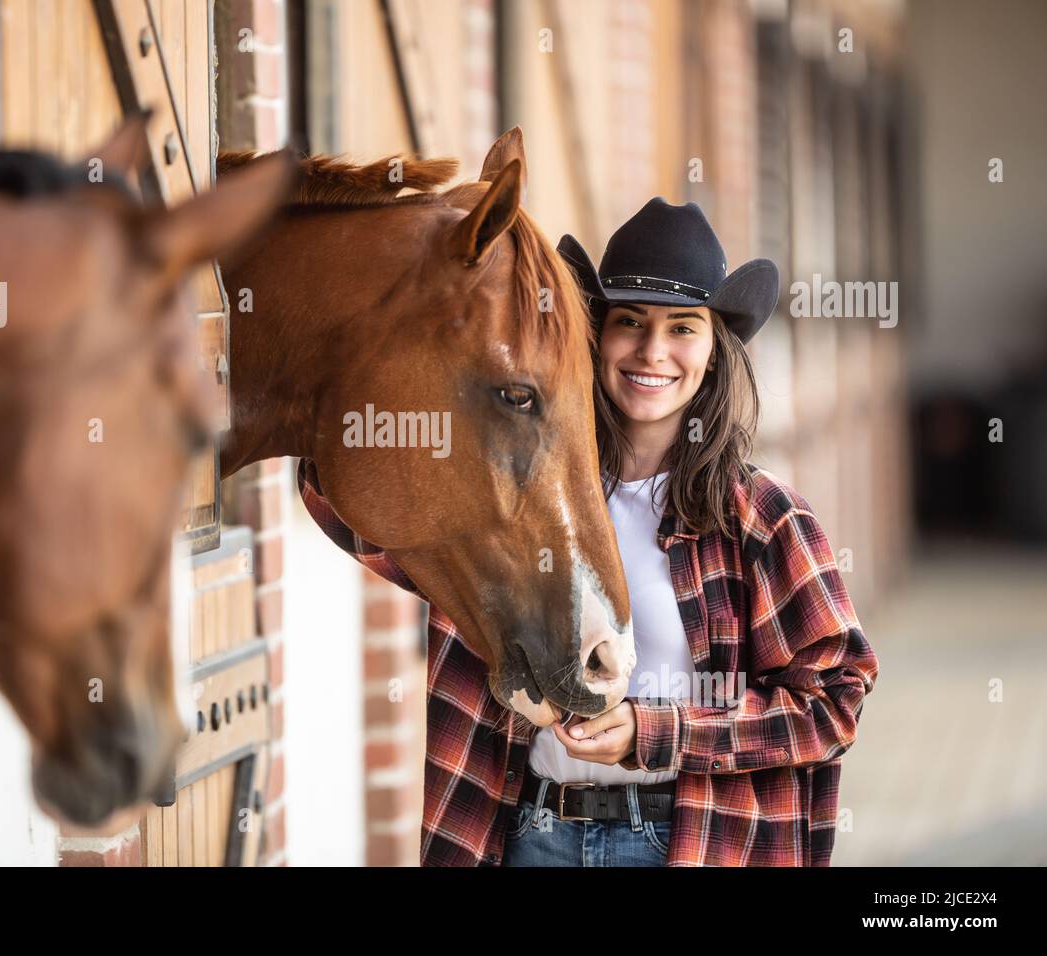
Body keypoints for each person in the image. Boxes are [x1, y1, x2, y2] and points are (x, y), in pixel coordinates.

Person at [296, 197, 880, 866]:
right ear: (594, 335)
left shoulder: (763, 516)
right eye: (629, 321)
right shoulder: (512, 499)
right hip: (529, 834)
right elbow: (347, 509)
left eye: (682, 328)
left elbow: (833, 701)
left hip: (684, 844)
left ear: (716, 352)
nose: (652, 351)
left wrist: (655, 732)